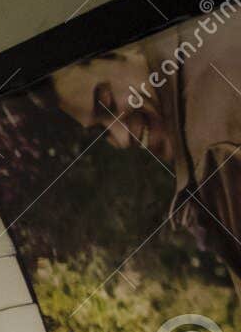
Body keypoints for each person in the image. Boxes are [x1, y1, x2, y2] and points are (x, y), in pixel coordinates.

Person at [46, 22, 241, 296]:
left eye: (107, 102)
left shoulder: (213, 154)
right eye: (102, 131)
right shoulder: (216, 30)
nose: (122, 139)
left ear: (128, 49)